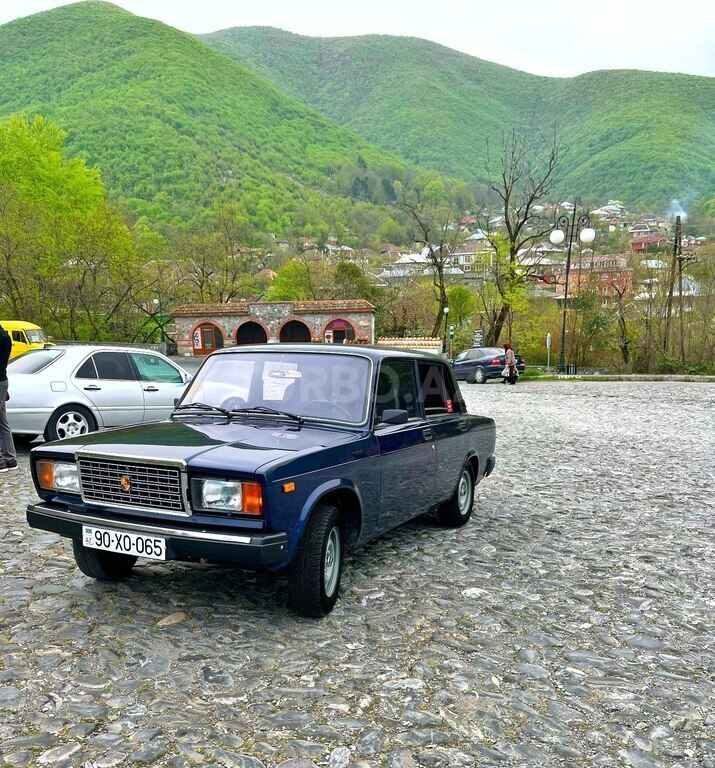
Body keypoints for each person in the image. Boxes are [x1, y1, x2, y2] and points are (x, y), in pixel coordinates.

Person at [0, 323, 17, 473]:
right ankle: (10, 459)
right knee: (2, 421)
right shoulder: (5, 336)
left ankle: (1, 461)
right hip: (2, 381)